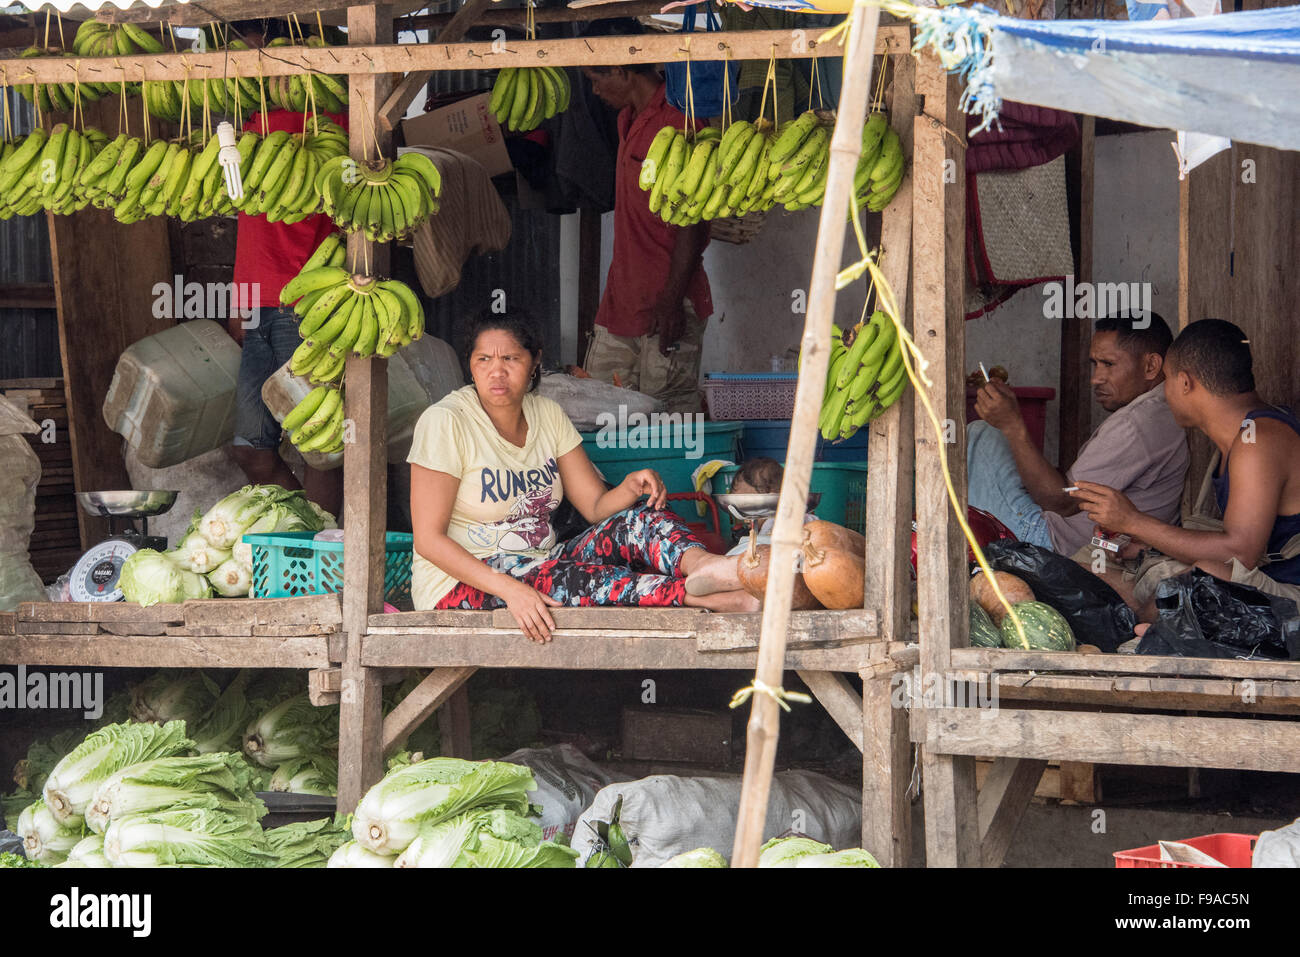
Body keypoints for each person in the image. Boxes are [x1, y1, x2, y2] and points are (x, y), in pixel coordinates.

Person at [408, 313, 757, 642]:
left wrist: (629, 486)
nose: (496, 372)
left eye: (510, 359)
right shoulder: (446, 421)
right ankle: (713, 600)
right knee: (575, 579)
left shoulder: (547, 414)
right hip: (461, 582)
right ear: (470, 365)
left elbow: (593, 506)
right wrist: (508, 588)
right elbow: (428, 540)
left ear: (534, 363)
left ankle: (709, 568)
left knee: (639, 520)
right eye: (483, 359)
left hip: (541, 560)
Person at [1072, 319, 1300, 617]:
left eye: (1166, 379)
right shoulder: (1248, 431)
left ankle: (1140, 623)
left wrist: (1132, 521)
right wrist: (1150, 542)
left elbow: (1240, 553)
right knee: (1095, 562)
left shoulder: (1258, 440)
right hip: (1264, 576)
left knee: (1201, 580)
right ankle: (1140, 620)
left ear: (1184, 382)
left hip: (1290, 595)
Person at [227, 20, 344, 517]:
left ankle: (326, 550)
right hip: (255, 309)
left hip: (304, 307)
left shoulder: (328, 126)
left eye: (260, 53)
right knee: (251, 450)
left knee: (321, 446)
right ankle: (301, 524)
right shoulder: (245, 128)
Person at [966, 313, 1188, 557]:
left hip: (1055, 548)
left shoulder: (1137, 422)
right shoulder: (1162, 407)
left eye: (1109, 364)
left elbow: (1061, 502)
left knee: (982, 435)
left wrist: (1013, 426)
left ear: (1150, 366)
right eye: (1095, 364)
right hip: (1083, 543)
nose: (1096, 378)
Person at [580, 52, 713, 414]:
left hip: (669, 299)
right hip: (621, 300)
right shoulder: (627, 119)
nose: (594, 90)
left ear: (621, 70)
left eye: (596, 78)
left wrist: (671, 300)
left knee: (668, 417)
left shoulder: (681, 122)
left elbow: (691, 218)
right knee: (601, 413)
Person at [721, 457, 818, 558]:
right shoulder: (804, 518)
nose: (743, 510)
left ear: (772, 499)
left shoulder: (774, 524)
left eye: (746, 503)